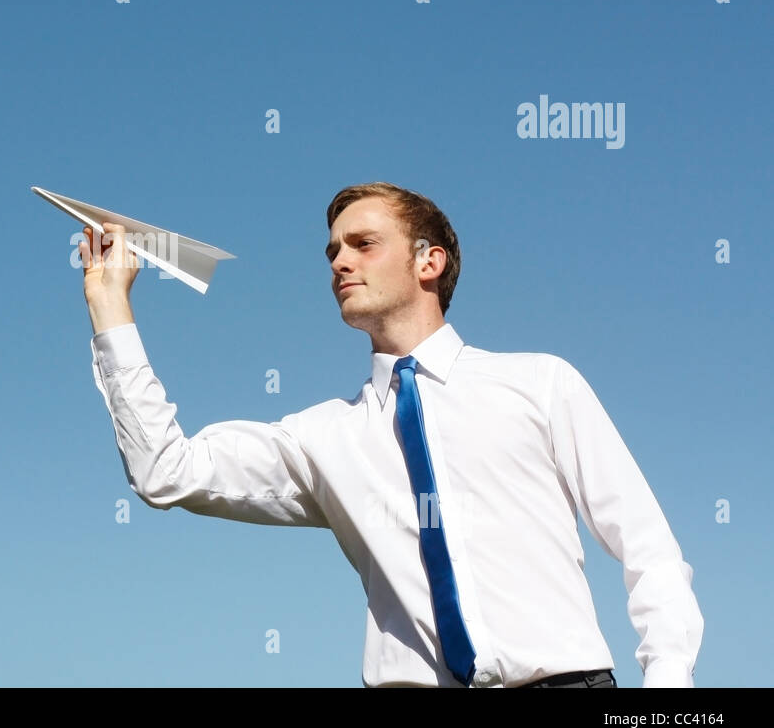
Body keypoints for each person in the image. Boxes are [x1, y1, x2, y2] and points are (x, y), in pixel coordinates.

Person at [78, 181, 703, 688]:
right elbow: (165, 471)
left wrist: (667, 686)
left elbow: (646, 543)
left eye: (363, 243)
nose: (340, 261)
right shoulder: (320, 436)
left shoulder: (540, 383)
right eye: (332, 252)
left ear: (428, 261)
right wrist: (110, 307)